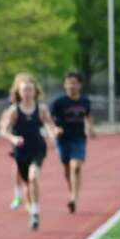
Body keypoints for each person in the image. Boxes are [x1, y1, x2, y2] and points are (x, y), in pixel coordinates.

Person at [0, 73, 58, 231]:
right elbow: (3, 130)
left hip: (37, 148)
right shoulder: (14, 111)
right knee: (27, 183)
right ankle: (26, 201)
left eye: (30, 89)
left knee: (33, 178)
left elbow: (50, 125)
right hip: (21, 150)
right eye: (24, 90)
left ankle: (35, 212)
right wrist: (13, 138)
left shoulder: (41, 109)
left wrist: (53, 133)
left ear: (35, 91)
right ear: (18, 92)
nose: (27, 93)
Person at [50, 70, 94, 214]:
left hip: (79, 138)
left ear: (80, 85)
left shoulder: (85, 101)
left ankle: (73, 198)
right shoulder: (58, 102)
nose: (71, 86)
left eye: (74, 83)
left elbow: (88, 116)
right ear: (64, 85)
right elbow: (48, 119)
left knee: (76, 167)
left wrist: (90, 128)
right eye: (69, 83)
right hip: (62, 139)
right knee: (67, 170)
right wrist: (55, 129)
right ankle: (72, 190)